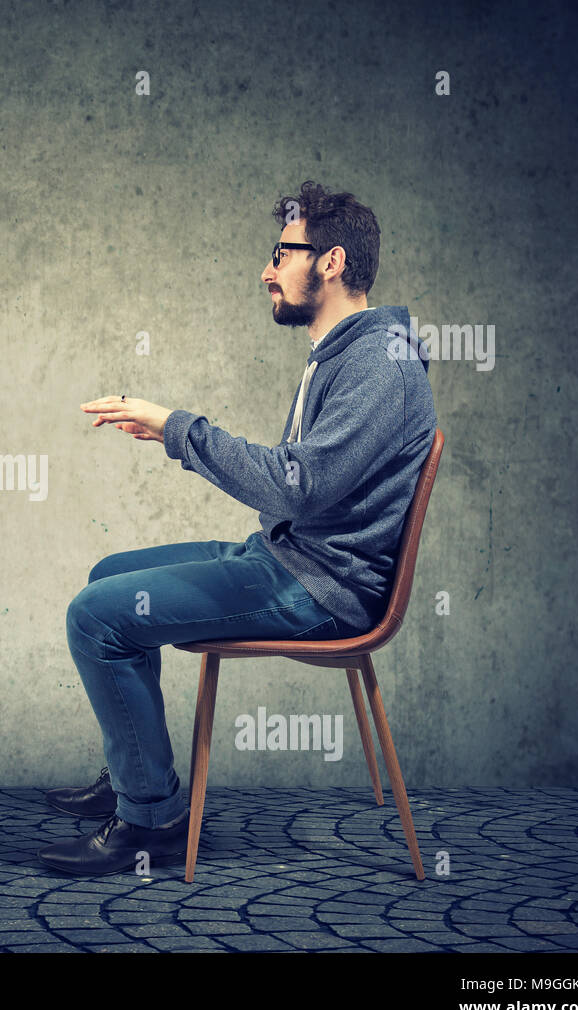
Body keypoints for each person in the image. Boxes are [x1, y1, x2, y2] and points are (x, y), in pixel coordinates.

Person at [38, 180, 439, 876]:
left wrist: (179, 428)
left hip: (320, 588)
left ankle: (151, 822)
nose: (266, 270)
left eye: (283, 253)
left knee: (95, 617)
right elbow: (299, 492)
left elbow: (296, 486)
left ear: (333, 262)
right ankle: (142, 771)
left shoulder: (380, 365)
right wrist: (179, 434)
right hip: (290, 557)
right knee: (111, 580)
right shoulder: (344, 352)